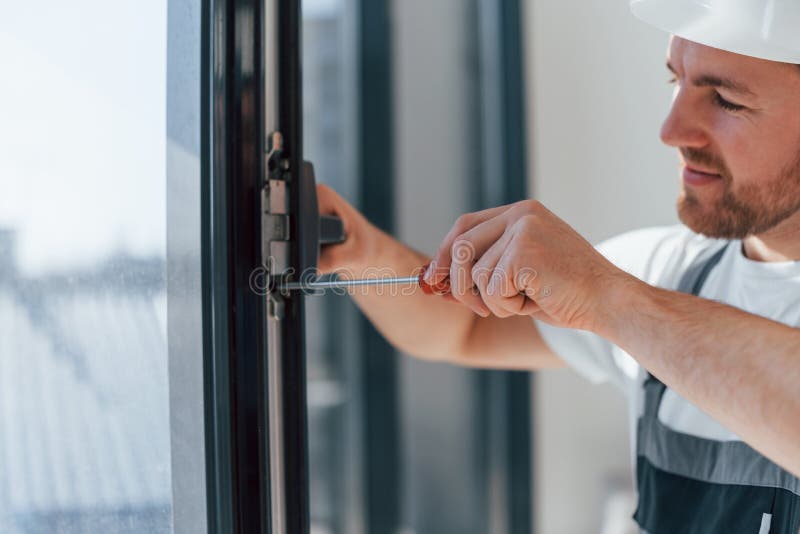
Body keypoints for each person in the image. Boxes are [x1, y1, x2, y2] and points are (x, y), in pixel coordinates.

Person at [316, 0, 800, 531]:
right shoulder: (670, 272)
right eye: (674, 82)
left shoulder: (636, 294)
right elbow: (467, 328)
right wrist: (357, 247)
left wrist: (606, 297)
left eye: (726, 100)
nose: (671, 129)